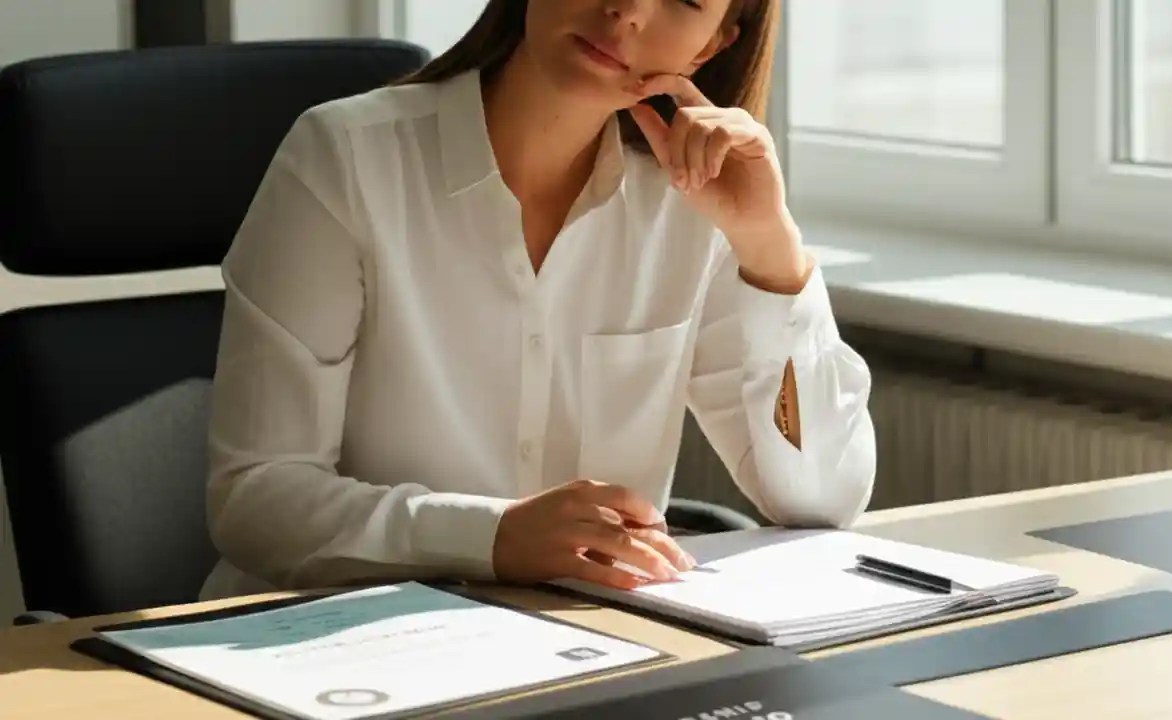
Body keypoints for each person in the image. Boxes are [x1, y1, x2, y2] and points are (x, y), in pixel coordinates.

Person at [199, 0, 876, 601]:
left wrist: (771, 249)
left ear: (711, 45)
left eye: (680, 0)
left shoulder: (692, 203)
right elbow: (257, 498)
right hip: (318, 642)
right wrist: (491, 537)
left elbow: (823, 500)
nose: (629, 10)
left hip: (581, 650)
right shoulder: (344, 158)